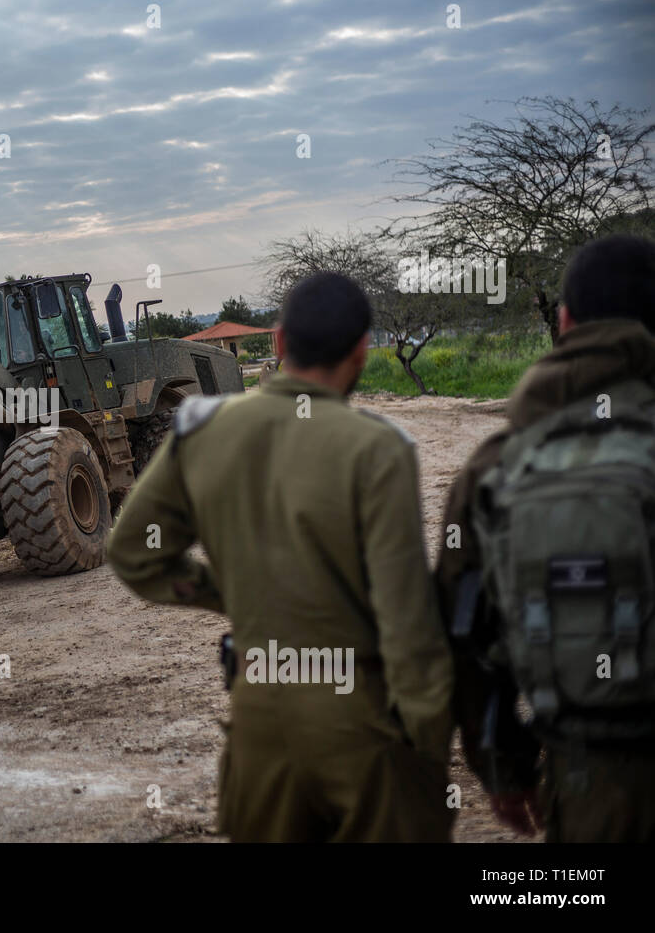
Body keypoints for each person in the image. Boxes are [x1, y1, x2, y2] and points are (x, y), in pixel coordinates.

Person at [107, 271, 454, 841]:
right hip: (359, 723)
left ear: (278, 344)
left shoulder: (203, 430)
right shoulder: (377, 448)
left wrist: (232, 595)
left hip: (260, 721)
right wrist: (426, 743)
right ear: (361, 350)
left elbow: (133, 552)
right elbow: (408, 621)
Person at [436, 233, 655, 841]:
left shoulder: (494, 467)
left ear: (563, 322)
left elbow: (465, 635)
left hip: (590, 784)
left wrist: (503, 768)